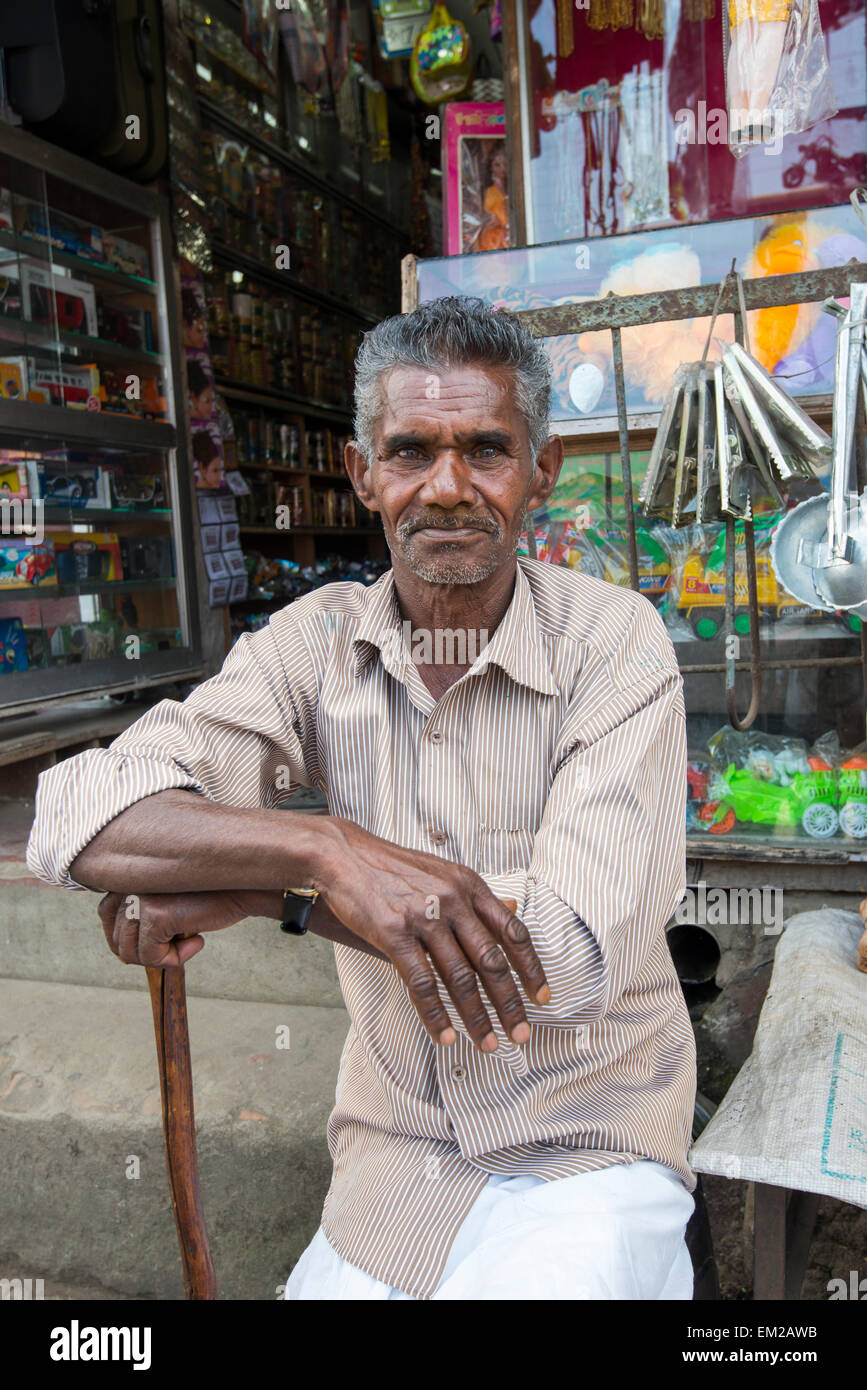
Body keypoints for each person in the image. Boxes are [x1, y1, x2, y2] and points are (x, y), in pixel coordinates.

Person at [26, 296, 697, 1301]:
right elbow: (78, 813)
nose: (448, 488)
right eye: (411, 451)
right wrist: (322, 849)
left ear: (542, 473)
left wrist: (268, 893)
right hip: (396, 1153)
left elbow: (560, 952)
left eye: (487, 449)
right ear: (362, 473)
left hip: (586, 1144)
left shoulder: (614, 642)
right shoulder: (312, 644)